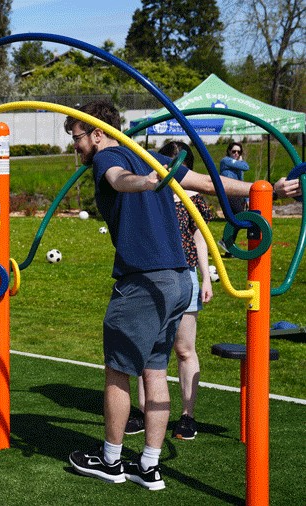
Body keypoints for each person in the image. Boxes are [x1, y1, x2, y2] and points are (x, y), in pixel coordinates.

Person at [63, 100, 300, 491]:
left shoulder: (110, 158)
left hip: (142, 279)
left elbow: (120, 179)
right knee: (155, 369)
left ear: (98, 132)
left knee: (118, 371)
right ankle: (150, 466)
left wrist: (147, 183)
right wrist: (267, 189)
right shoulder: (151, 156)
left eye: (77, 137)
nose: (75, 146)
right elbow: (209, 183)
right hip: (179, 279)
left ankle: (110, 459)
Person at [125, 141, 213, 440]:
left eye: (179, 163)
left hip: (185, 274)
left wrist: (206, 277)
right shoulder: (151, 194)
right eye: (170, 161)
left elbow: (200, 239)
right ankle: (142, 409)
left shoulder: (194, 198)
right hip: (153, 274)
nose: (174, 168)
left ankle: (187, 416)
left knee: (184, 348)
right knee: (147, 347)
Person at [219, 142, 250, 216]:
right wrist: (241, 161)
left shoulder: (238, 166)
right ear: (229, 151)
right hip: (229, 193)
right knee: (239, 215)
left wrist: (246, 199)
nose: (236, 153)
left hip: (238, 193)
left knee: (240, 216)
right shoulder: (226, 161)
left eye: (239, 152)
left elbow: (241, 181)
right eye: (234, 151)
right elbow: (246, 167)